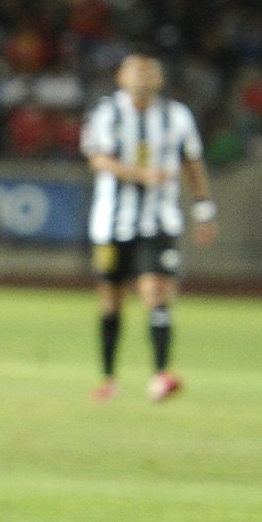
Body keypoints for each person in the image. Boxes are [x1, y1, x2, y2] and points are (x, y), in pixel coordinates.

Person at [80, 53, 217, 402]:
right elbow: (97, 159)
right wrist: (141, 174)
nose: (142, 78)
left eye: (149, 72)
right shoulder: (107, 113)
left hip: (160, 221)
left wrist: (204, 209)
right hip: (111, 225)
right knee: (111, 299)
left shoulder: (177, 116)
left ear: (159, 79)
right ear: (121, 77)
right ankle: (108, 378)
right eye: (135, 72)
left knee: (157, 292)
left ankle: (160, 375)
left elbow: (193, 162)